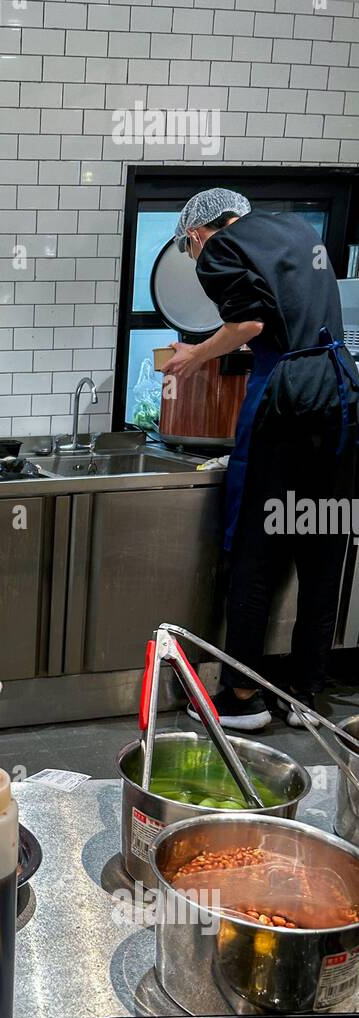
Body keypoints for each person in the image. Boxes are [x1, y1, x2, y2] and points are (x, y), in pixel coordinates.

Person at [164, 189, 359, 730]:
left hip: (288, 401)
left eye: (190, 246)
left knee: (255, 549)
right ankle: (305, 694)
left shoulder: (224, 246)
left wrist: (195, 355)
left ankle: (243, 698)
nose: (197, 256)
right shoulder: (300, 231)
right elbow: (283, 319)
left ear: (201, 231)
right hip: (341, 396)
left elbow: (248, 324)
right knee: (324, 549)